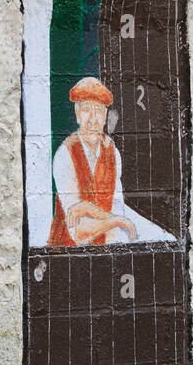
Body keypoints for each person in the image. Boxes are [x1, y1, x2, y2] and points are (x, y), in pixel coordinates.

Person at [47, 77, 172, 247]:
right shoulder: (65, 155)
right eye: (86, 109)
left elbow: (116, 207)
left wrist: (91, 210)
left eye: (98, 110)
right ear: (77, 113)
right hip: (67, 254)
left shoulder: (112, 151)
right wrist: (116, 221)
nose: (92, 119)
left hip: (105, 247)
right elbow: (79, 233)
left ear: (105, 115)